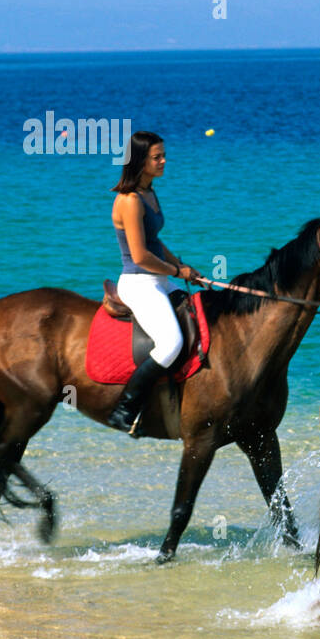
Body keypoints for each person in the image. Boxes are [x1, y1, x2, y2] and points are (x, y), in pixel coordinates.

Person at [106, 131, 203, 435]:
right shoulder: (130, 201)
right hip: (139, 283)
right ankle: (124, 409)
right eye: (156, 157)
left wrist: (183, 267)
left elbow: (155, 242)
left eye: (163, 155)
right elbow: (141, 256)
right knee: (171, 344)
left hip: (158, 278)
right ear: (139, 161)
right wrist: (176, 273)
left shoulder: (149, 191)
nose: (163, 161)